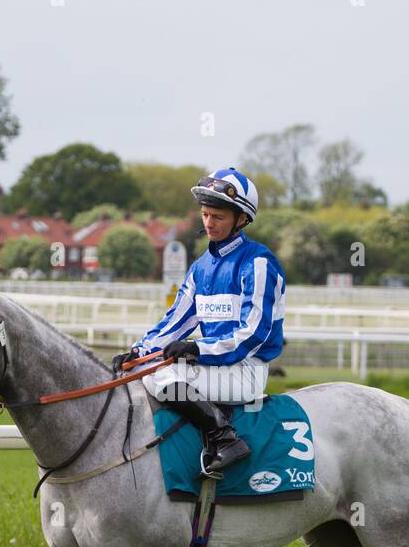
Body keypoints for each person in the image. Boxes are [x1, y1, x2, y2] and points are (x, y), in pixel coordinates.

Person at [112, 167, 285, 476]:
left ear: (241, 219)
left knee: (160, 379)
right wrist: (138, 351)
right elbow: (174, 323)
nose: (209, 222)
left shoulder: (258, 262)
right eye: (206, 214)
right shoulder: (201, 268)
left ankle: (226, 438)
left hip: (246, 371)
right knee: (142, 371)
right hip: (214, 367)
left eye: (218, 216)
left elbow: (253, 334)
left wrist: (197, 349)